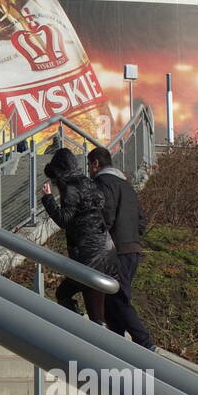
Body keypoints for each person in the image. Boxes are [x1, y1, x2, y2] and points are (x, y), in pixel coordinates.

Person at [39, 147, 119, 325]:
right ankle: (81, 330)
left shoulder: (71, 187)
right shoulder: (88, 182)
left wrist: (48, 198)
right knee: (64, 293)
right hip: (105, 251)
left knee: (96, 315)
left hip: (90, 258)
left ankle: (92, 342)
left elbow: (64, 219)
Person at [87, 147, 156, 351]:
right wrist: (132, 237)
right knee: (110, 301)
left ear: (96, 164)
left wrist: (102, 239)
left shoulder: (102, 183)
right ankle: (117, 346)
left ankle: (145, 343)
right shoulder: (126, 185)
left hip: (116, 250)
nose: (89, 170)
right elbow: (141, 219)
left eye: (90, 165)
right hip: (133, 248)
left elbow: (105, 215)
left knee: (117, 297)